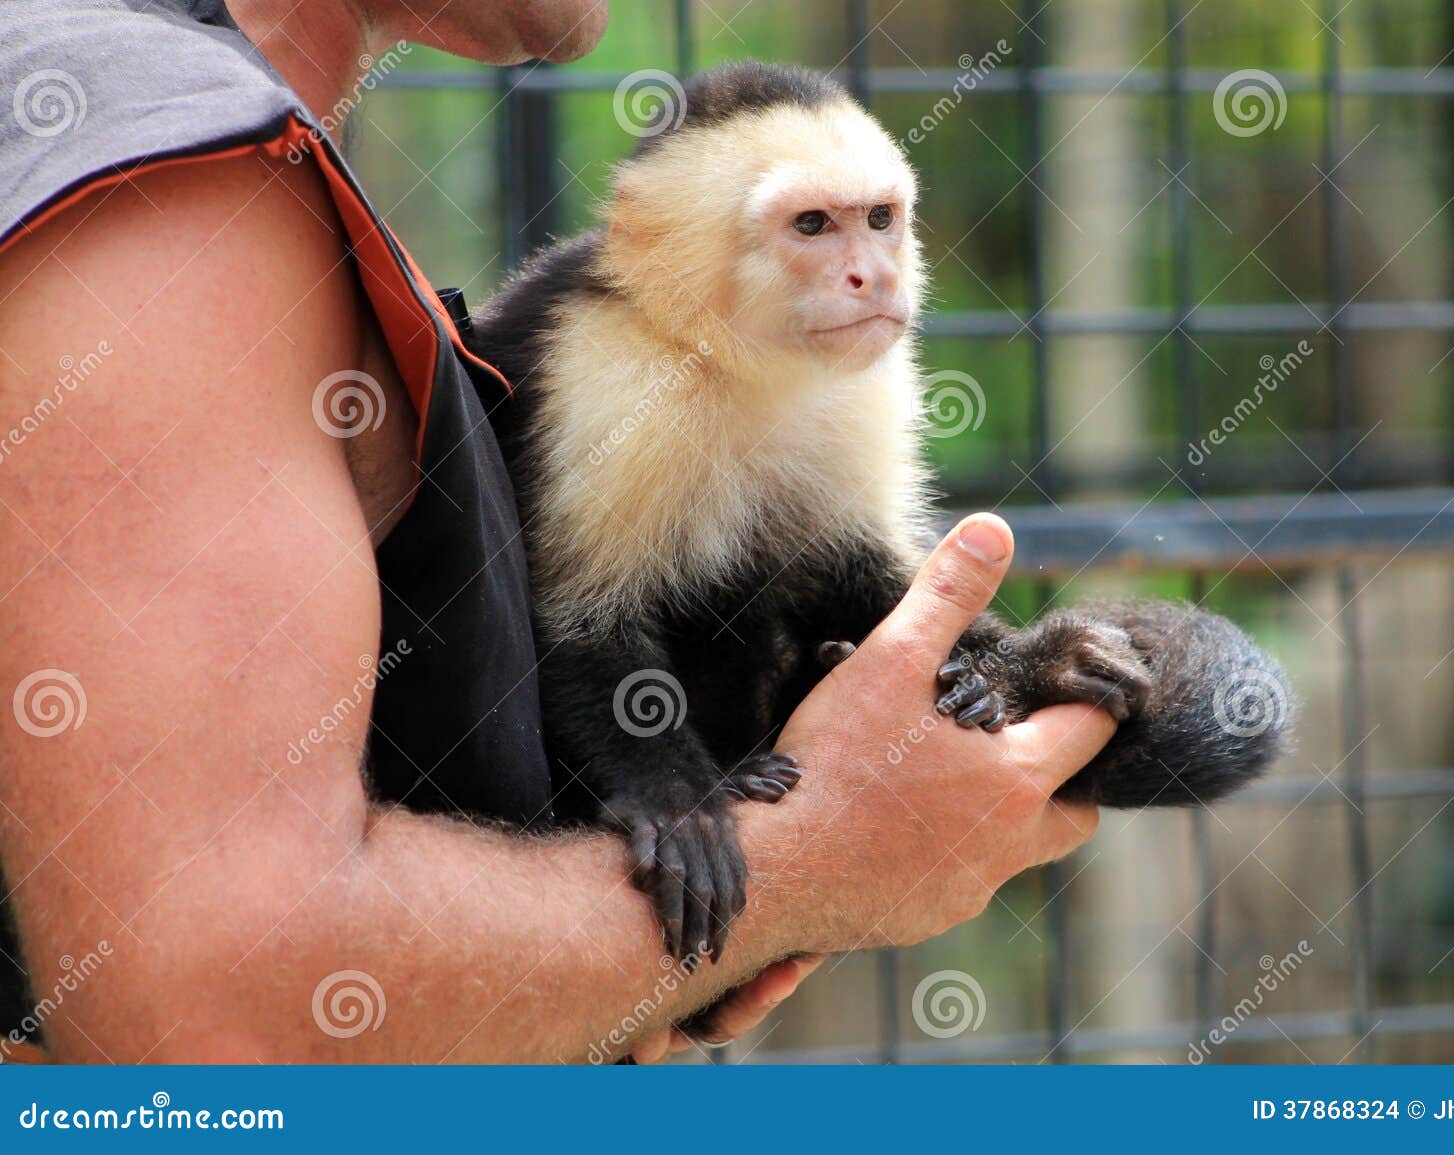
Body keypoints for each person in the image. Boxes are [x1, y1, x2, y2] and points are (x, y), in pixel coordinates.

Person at [0, 0, 1108, 1063]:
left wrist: (587, 981)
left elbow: (847, 588)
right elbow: (215, 1028)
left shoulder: (257, 161)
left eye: (883, 222)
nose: (867, 264)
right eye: (812, 225)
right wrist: (806, 867)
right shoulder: (153, 145)